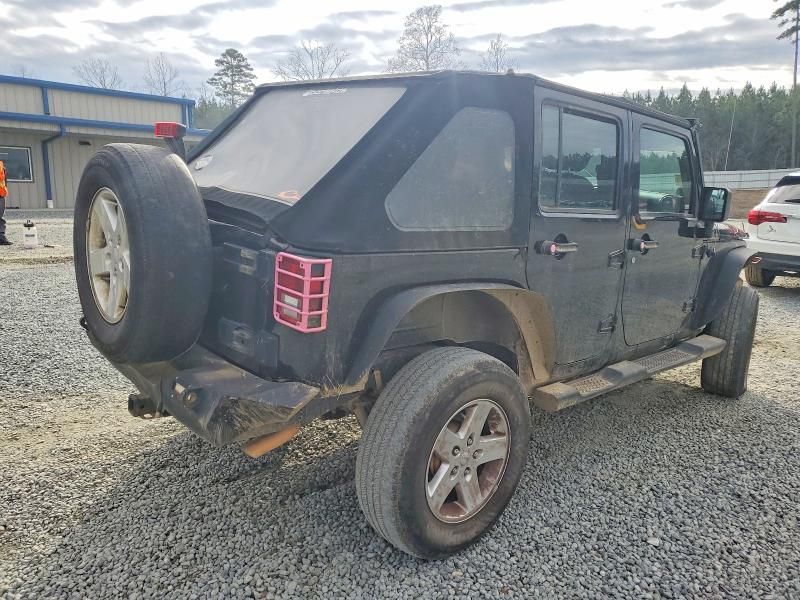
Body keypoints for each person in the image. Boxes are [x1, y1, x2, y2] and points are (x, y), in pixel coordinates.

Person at [0, 158, 10, 245]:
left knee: (0, 217)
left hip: (1, 195)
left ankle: (1, 237)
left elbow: (4, 180)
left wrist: (4, 190)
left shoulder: (1, 166)